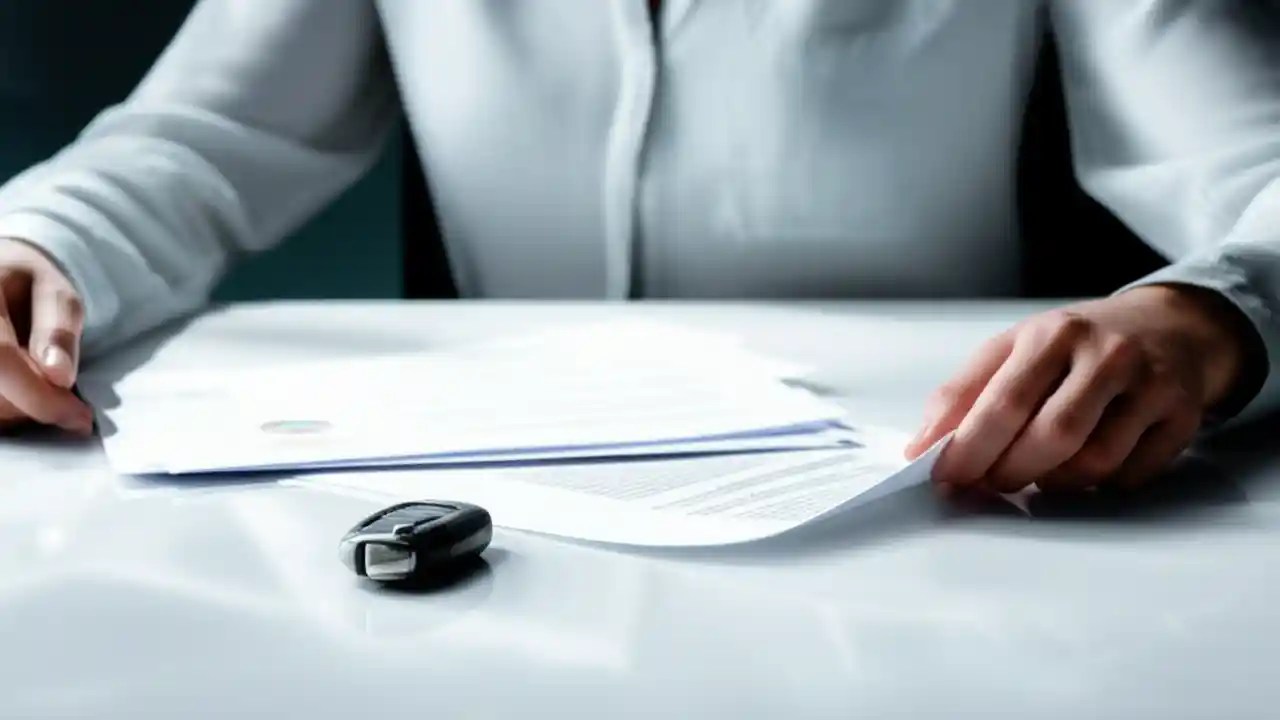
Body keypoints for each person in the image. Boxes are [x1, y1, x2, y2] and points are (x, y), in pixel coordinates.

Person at [0, 1, 1276, 495]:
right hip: (495, 515)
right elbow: (198, 136)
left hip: (928, 490)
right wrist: (38, 242)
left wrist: (1208, 315)